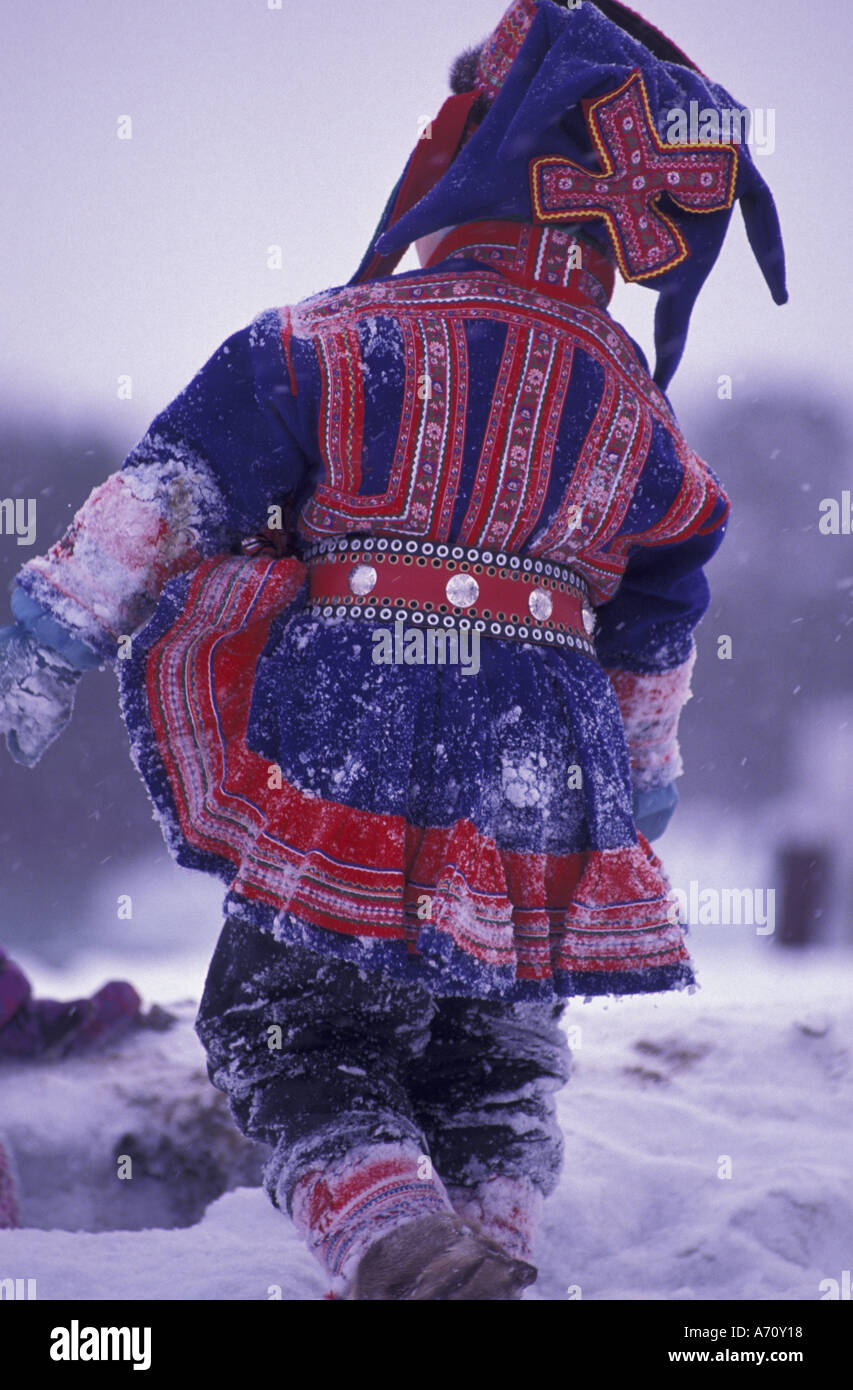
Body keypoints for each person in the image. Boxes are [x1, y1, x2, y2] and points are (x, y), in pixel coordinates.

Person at [0, 1, 785, 1298]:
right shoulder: (634, 408)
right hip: (543, 768)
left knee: (289, 1024)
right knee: (493, 1048)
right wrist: (634, 781)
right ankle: (495, 1241)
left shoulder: (331, 339)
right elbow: (663, 595)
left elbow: (174, 487)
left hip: (359, 732)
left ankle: (399, 1247)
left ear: (464, 153)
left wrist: (54, 632)